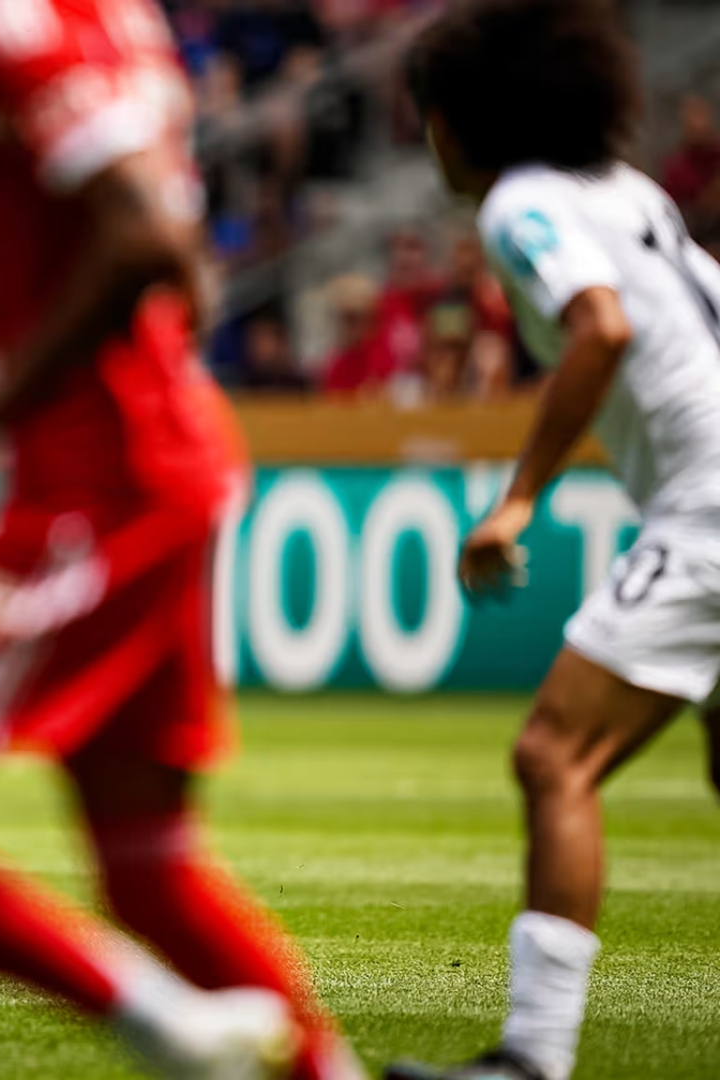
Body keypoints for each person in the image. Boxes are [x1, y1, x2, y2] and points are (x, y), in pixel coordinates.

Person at [0, 2, 360, 1079]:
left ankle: (168, 1028)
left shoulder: (16, 27)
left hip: (97, 491)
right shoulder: (116, 18)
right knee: (147, 866)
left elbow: (147, 242)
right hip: (161, 461)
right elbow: (160, 266)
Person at [387, 3, 720, 1079]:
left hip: (710, 508)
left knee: (552, 755)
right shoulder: (629, 191)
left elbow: (602, 324)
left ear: (455, 121)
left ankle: (531, 1060)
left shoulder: (522, 201)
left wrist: (520, 497)